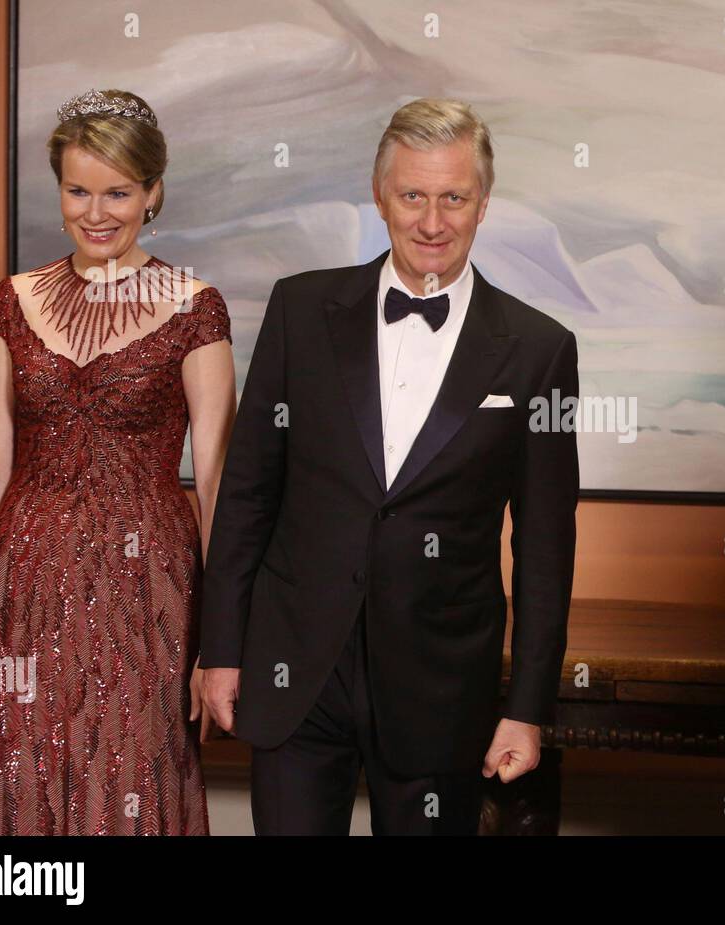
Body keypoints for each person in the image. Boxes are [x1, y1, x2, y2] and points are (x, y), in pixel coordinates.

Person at [199, 97, 579, 836]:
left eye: (453, 198)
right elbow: (248, 493)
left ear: (483, 203)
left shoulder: (539, 350)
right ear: (380, 196)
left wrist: (528, 707)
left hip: (442, 685)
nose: (432, 222)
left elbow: (545, 546)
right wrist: (222, 650)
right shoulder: (300, 310)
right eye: (412, 196)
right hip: (296, 669)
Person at [0, 89, 235, 834]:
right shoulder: (12, 300)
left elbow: (222, 479)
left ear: (153, 191)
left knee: (135, 772)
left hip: (149, 589)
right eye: (78, 190)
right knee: (25, 769)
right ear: (59, 189)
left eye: (119, 192)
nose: (96, 212)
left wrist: (224, 638)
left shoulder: (196, 307)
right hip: (26, 579)